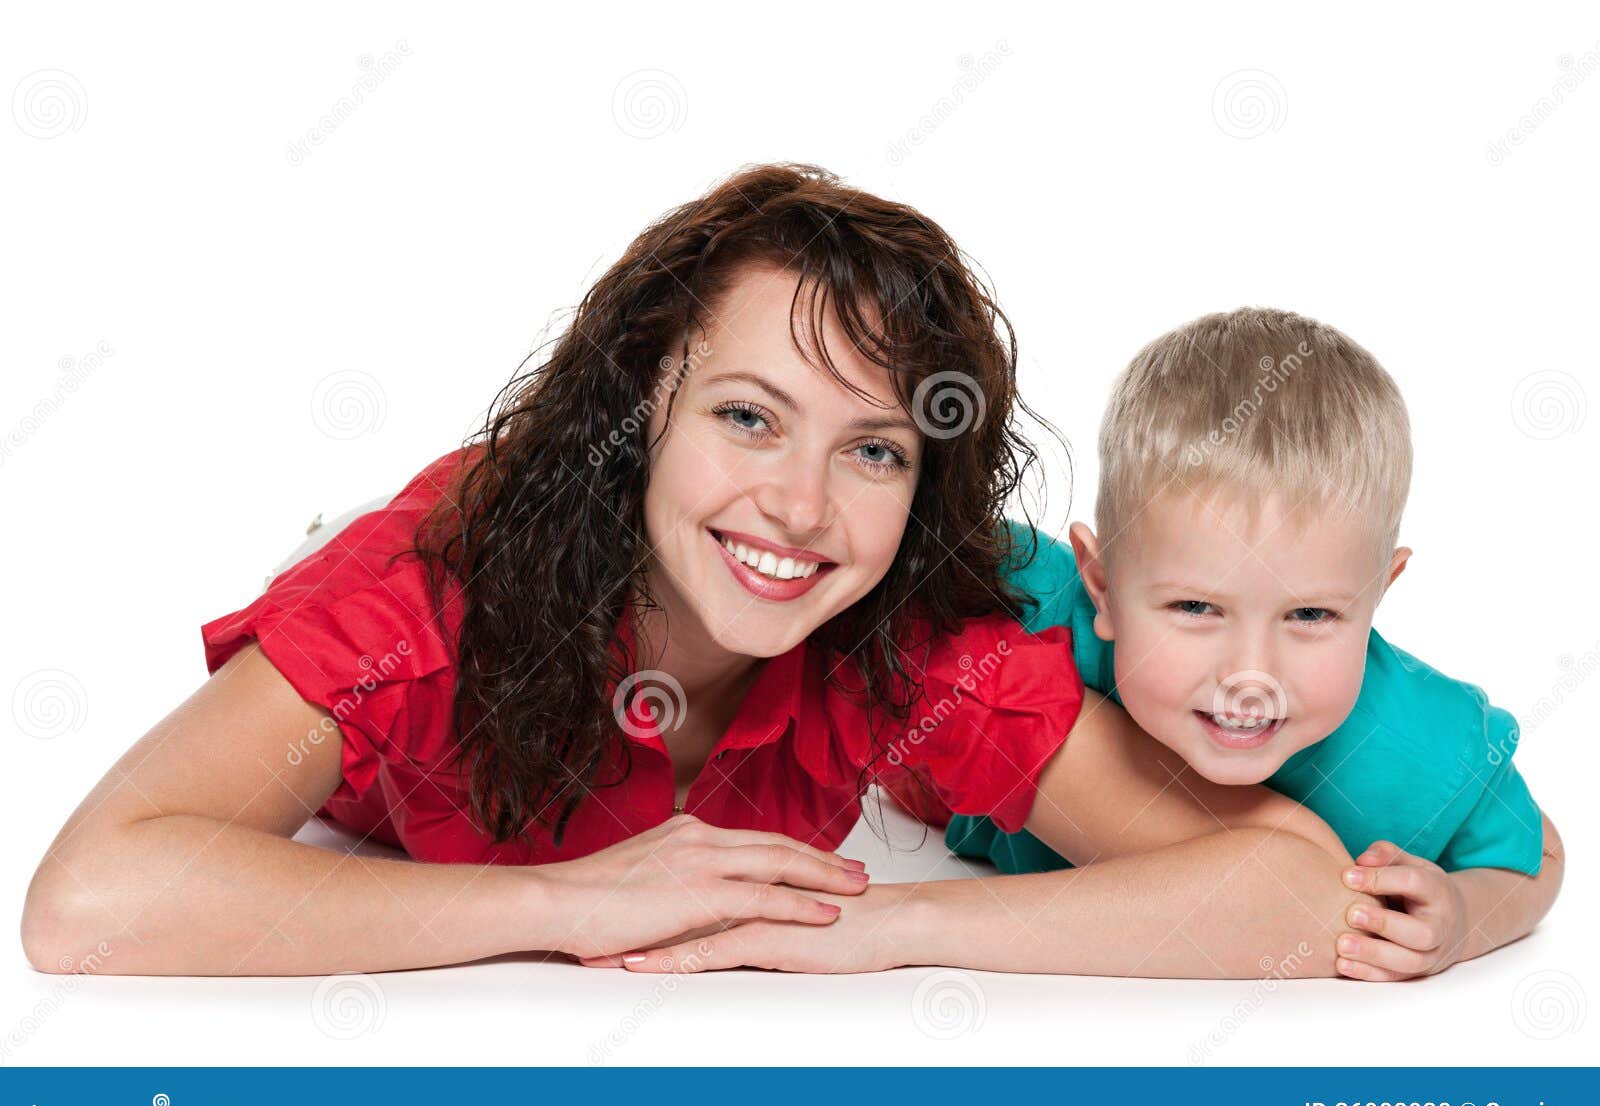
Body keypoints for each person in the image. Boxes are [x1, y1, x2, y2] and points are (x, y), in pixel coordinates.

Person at [21, 164, 1363, 979]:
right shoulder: (414, 615)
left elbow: (1295, 892)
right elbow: (90, 902)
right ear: (641, 405)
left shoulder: (902, 640)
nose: (803, 505)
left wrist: (883, 932)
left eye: (877, 451)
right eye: (748, 416)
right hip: (436, 554)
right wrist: (554, 907)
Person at [887, 307, 1565, 982]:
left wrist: (1463, 917)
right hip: (950, 793)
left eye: (1309, 614)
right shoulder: (1028, 604)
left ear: (1378, 591)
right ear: (1103, 586)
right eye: (1195, 607)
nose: (1251, 674)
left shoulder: (1427, 747)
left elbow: (1539, 856)